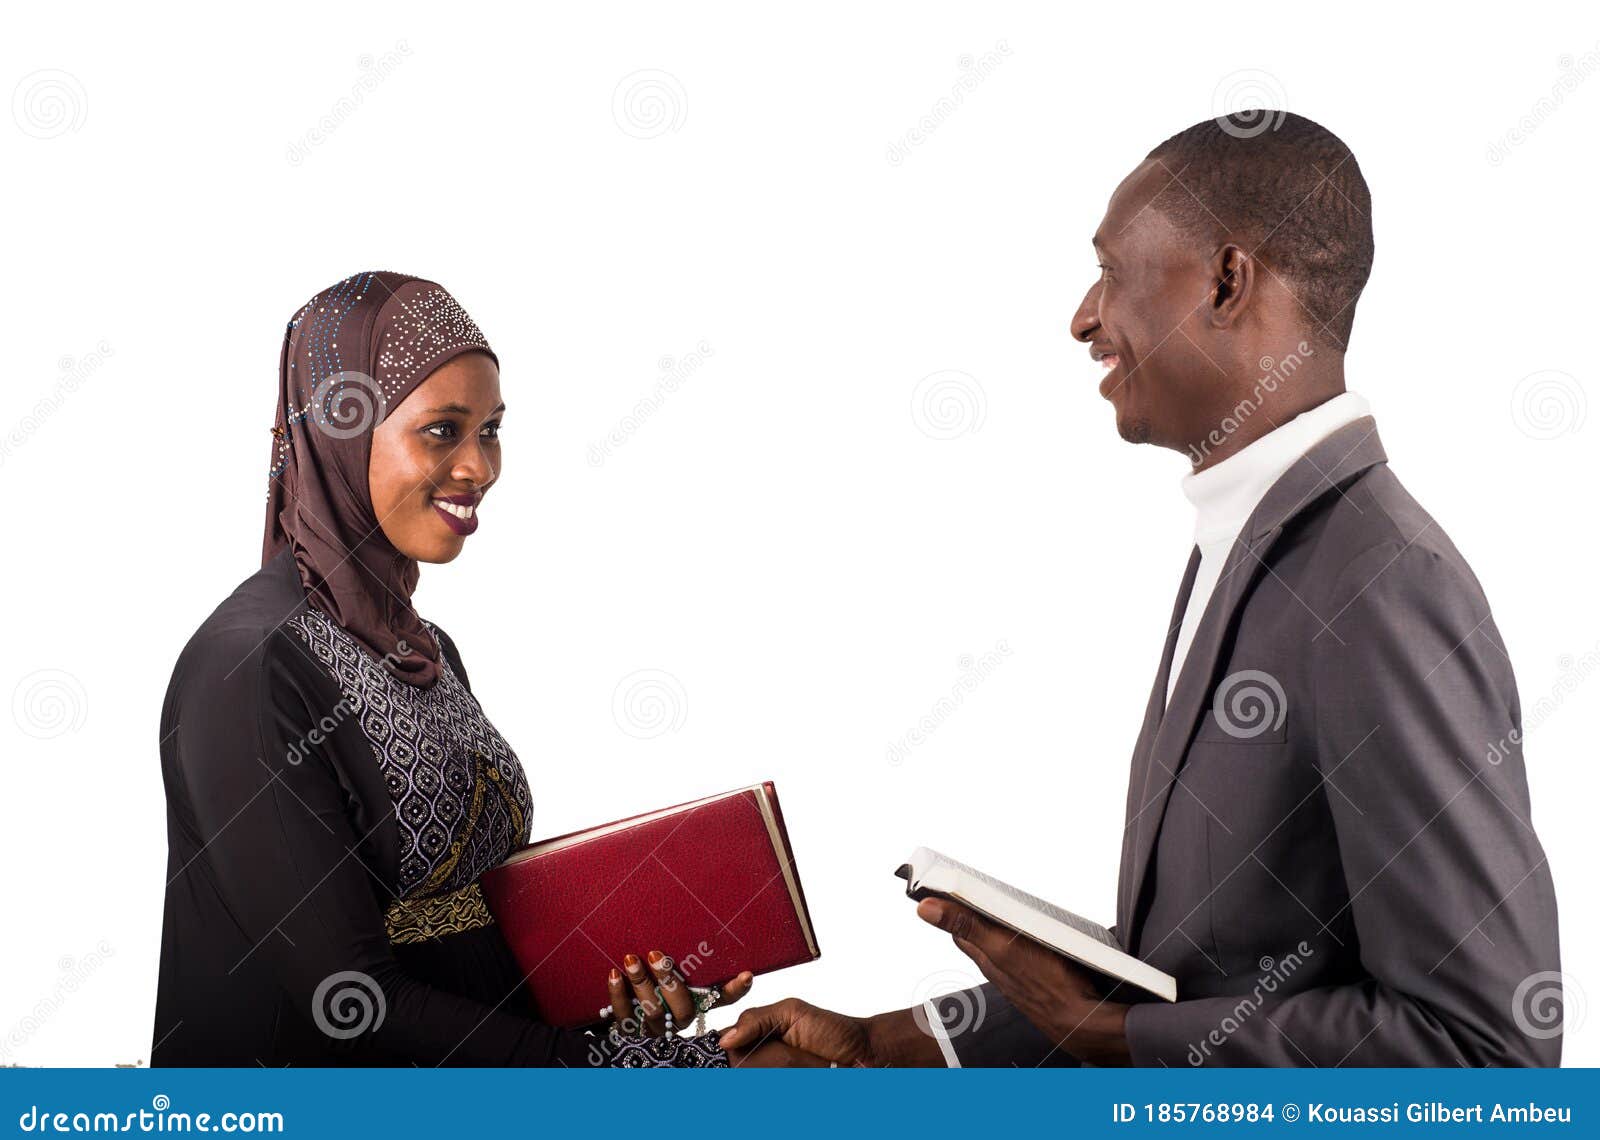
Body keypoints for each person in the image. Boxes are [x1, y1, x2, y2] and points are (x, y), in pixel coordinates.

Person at [722, 112, 1562, 1068]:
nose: (1084, 316)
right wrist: (881, 1047)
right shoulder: (1250, 541)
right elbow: (1202, 982)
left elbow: (1487, 1052)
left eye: (1114, 270)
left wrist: (1116, 1036)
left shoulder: (1381, 582)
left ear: (1226, 281)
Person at [152, 271, 771, 1066]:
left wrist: (619, 1014)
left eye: (492, 429)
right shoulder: (249, 667)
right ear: (340, 432)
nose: (481, 467)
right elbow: (352, 1000)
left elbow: (470, 932)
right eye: (443, 430)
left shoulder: (427, 651)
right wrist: (635, 1075)